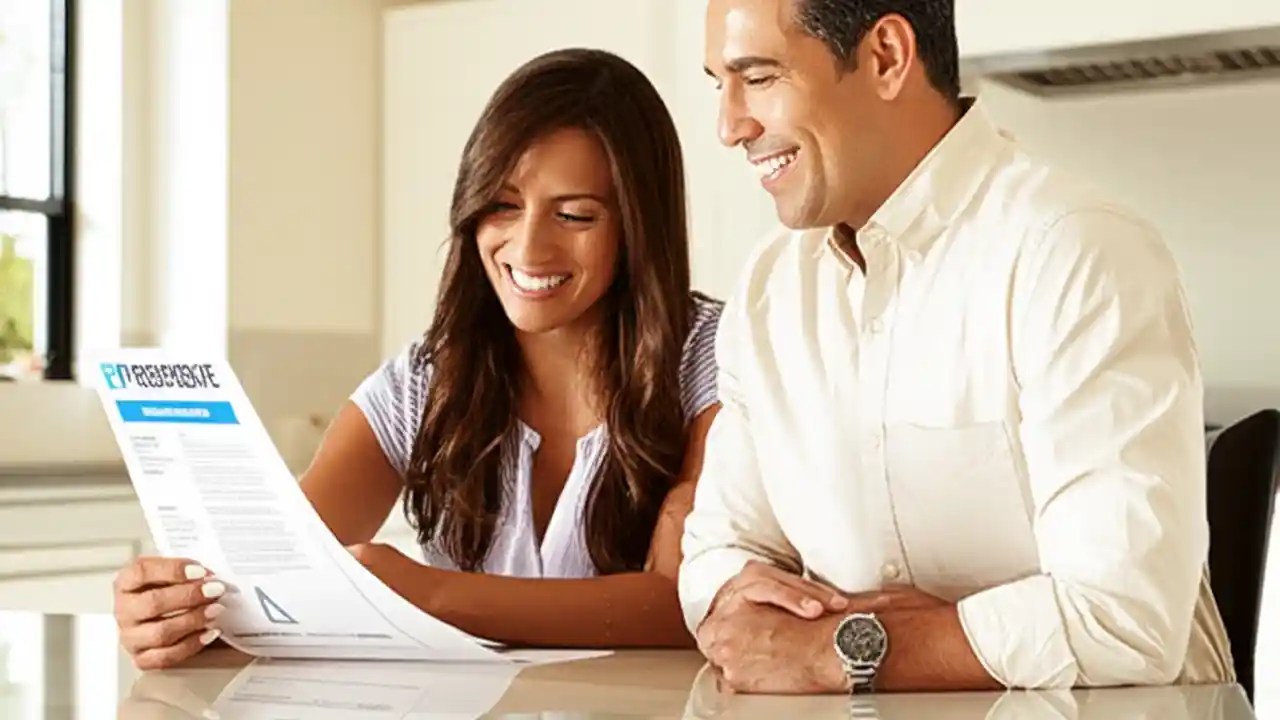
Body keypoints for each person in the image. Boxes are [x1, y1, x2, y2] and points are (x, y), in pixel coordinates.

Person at [110, 47, 730, 670]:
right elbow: (281, 578)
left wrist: (432, 594)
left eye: (574, 215)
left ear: (639, 225)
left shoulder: (713, 356)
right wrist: (176, 611)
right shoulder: (423, 380)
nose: (529, 245)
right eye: (503, 205)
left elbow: (680, 603)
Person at [680, 0, 1234, 695]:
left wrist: (844, 647)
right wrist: (768, 618)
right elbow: (713, 560)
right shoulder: (770, 289)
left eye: (757, 76)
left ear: (885, 57)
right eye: (718, 84)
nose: (730, 126)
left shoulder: (1076, 249)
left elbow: (1123, 620)